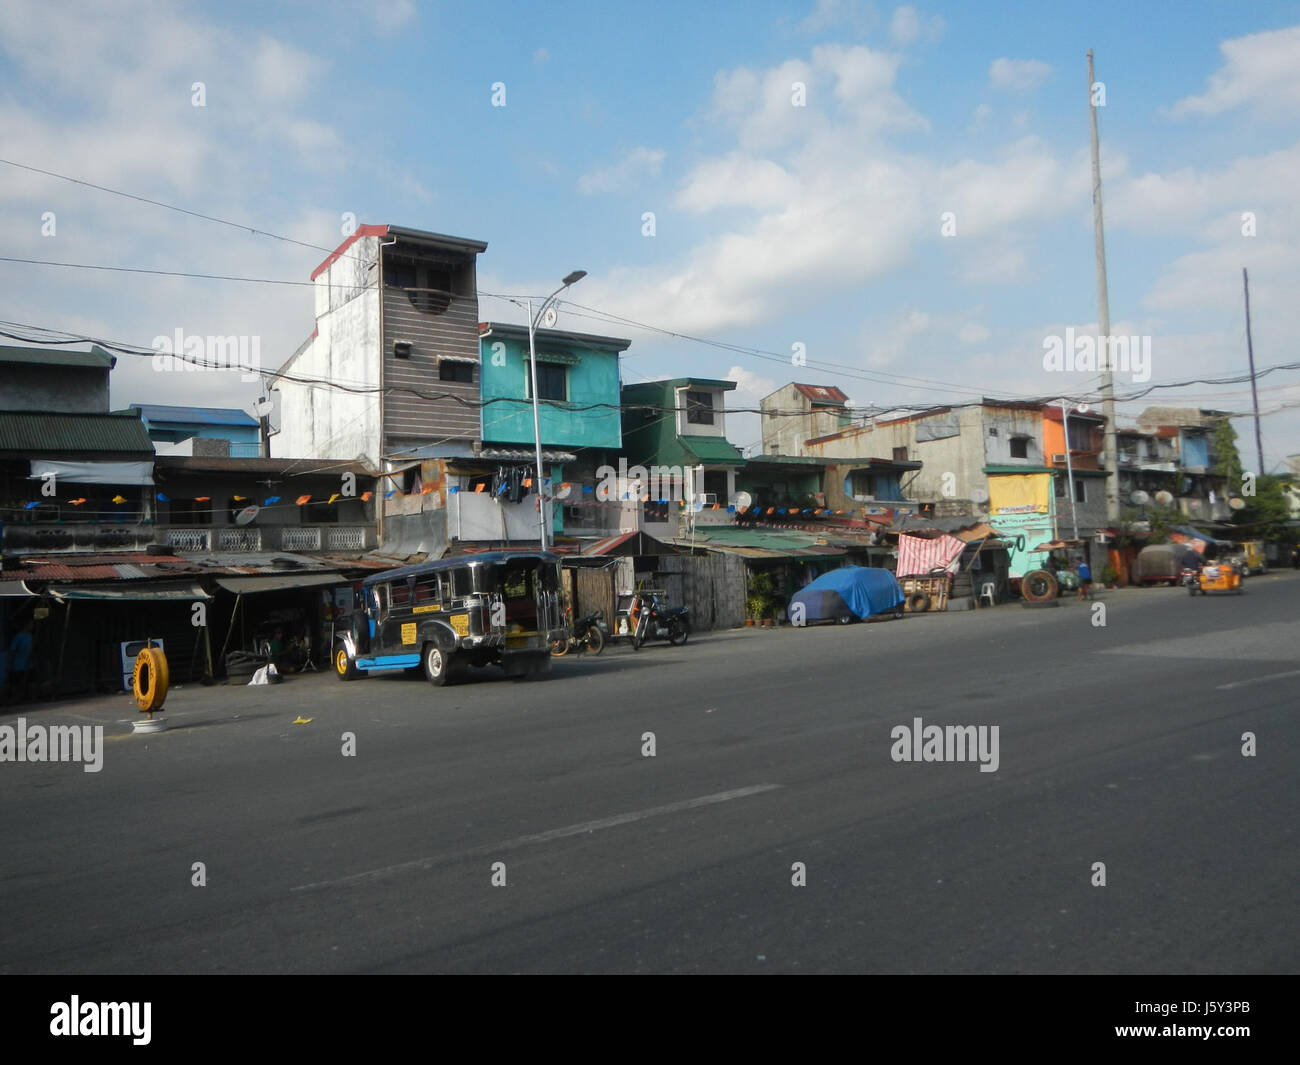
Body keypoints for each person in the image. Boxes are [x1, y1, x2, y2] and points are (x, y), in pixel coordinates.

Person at [7, 620, 35, 702]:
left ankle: (31, 700)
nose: (32, 626)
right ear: (26, 625)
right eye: (31, 624)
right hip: (18, 665)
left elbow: (32, 650)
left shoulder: (31, 636)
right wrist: (9, 664)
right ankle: (14, 700)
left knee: (31, 682)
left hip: (29, 664)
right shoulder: (18, 636)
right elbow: (12, 651)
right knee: (16, 684)